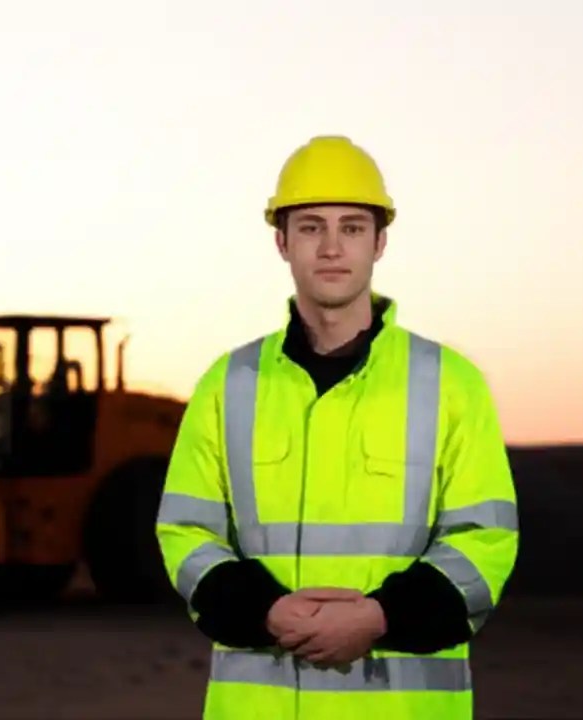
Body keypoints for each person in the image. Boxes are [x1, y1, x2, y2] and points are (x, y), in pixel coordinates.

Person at [155, 135, 519, 719]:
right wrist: (265, 611)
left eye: (351, 228)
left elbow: (486, 540)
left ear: (380, 243)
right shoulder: (227, 384)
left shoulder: (451, 382)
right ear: (281, 242)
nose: (331, 247)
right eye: (310, 227)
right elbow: (185, 533)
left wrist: (380, 617)